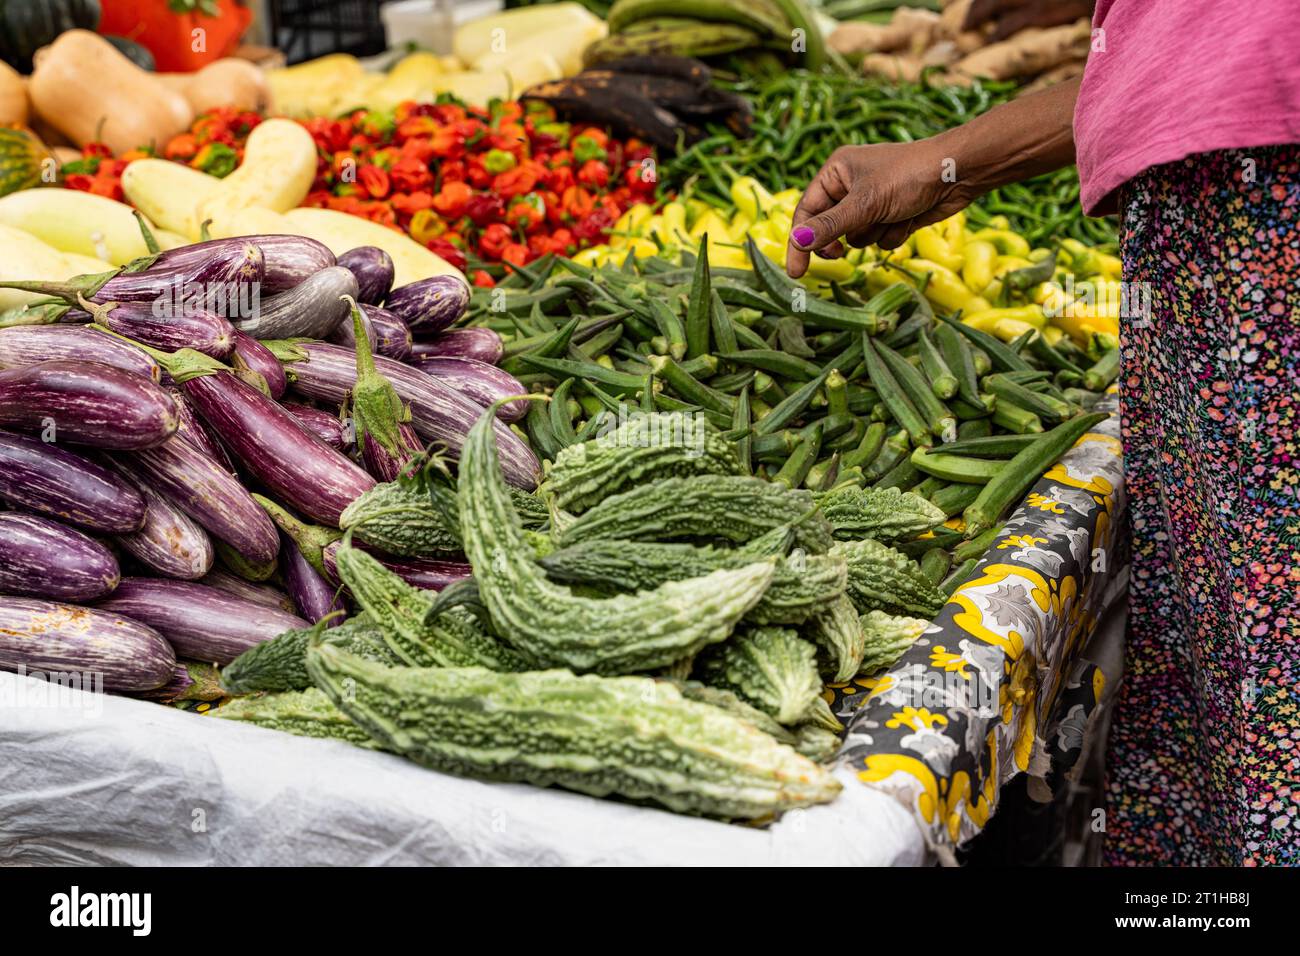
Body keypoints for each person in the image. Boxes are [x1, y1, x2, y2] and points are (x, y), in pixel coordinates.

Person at [786, 0, 1300, 866]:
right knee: (1227, 654)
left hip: (1263, 214)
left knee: (1271, 651)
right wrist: (947, 168)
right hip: (1207, 218)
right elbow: (1180, 48)